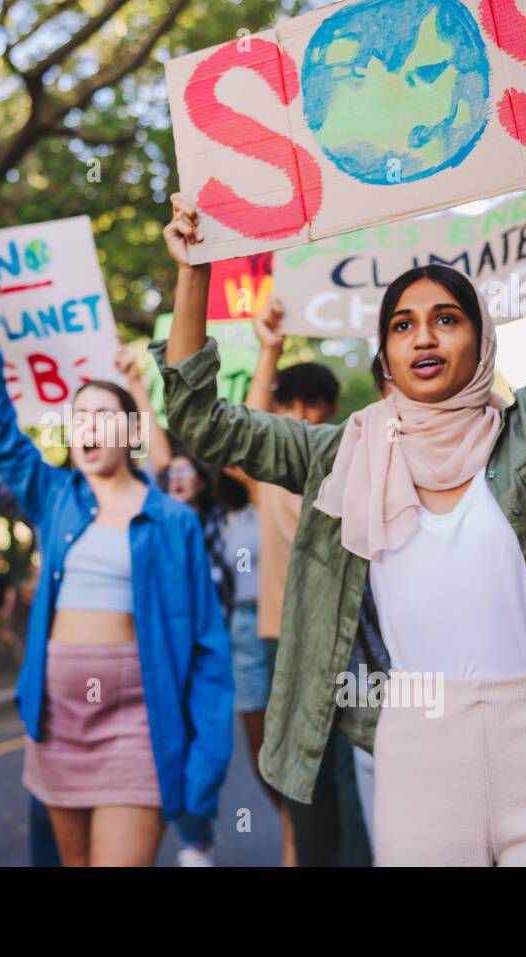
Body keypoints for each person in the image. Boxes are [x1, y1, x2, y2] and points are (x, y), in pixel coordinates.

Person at [154, 64, 526, 865]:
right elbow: (196, 416)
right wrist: (195, 269)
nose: (424, 336)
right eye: (403, 325)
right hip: (417, 763)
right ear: (385, 352)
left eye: (446, 318)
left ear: (480, 339)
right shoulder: (339, 451)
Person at [0, 276, 232, 867]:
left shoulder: (172, 521)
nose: (86, 428)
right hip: (57, 721)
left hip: (139, 723)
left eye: (102, 417)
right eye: (78, 417)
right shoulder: (55, 495)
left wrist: (206, 765)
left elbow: (209, 649)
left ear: (132, 432)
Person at [225, 297, 370, 867]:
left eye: (315, 403)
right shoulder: (265, 477)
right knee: (296, 777)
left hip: (341, 643)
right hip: (278, 641)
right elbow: (240, 429)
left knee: (347, 774)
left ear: (333, 407)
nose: (303, 414)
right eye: (290, 403)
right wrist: (269, 350)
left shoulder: (353, 466)